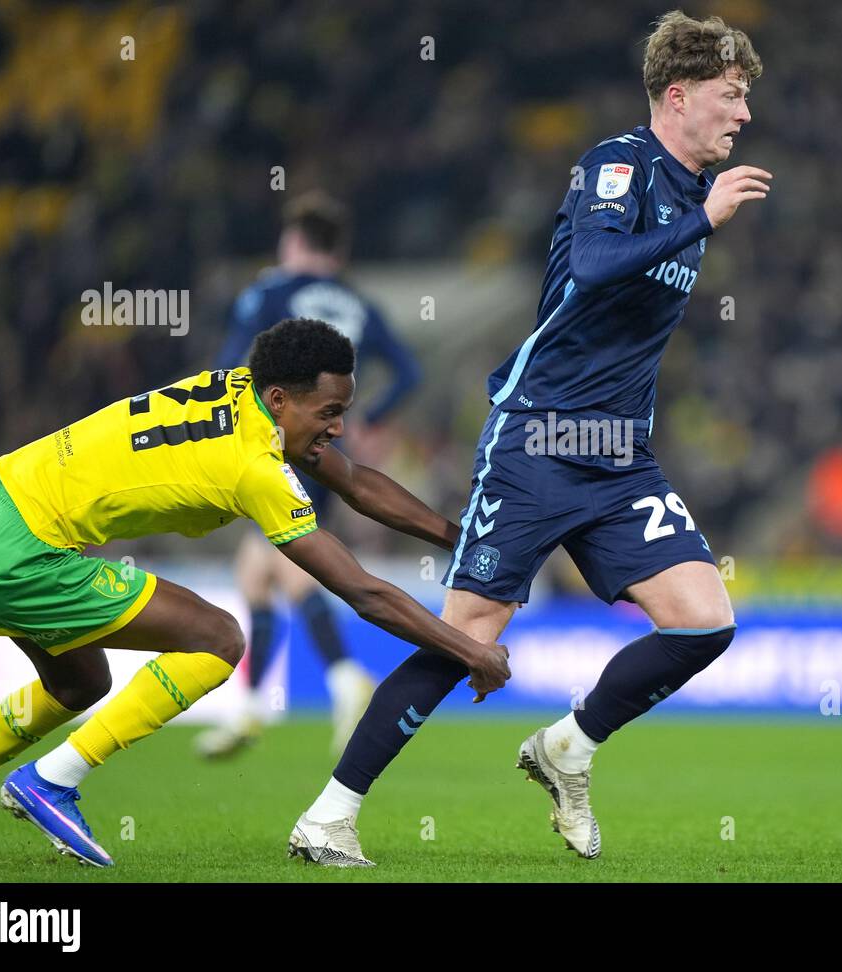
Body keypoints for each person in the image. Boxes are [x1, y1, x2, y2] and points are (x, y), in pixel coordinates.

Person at [290, 10, 768, 864]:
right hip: (539, 441)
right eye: (731, 97)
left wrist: (700, 215)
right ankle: (329, 815)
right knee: (466, 636)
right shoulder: (619, 166)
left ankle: (569, 747)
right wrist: (703, 224)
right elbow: (588, 267)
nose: (743, 115)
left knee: (704, 620)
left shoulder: (693, 191)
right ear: (678, 94)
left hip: (620, 457)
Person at [0, 318, 508, 867]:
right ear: (280, 400)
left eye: (344, 412)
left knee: (79, 682)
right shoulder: (254, 466)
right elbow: (363, 592)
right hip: (19, 550)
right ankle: (52, 779)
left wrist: (454, 537)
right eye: (329, 412)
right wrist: (470, 650)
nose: (338, 428)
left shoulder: (241, 389)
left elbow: (354, 482)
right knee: (218, 637)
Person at [198, 192, 422, 759]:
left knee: (286, 557)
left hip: (273, 438)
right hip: (323, 444)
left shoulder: (272, 291)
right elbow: (408, 373)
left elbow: (231, 366)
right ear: (340, 249)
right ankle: (252, 706)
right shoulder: (358, 304)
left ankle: (345, 677)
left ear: (294, 242)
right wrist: (366, 419)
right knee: (256, 569)